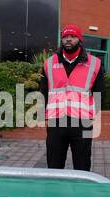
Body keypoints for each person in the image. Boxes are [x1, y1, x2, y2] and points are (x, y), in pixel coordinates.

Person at [40, 24, 105, 171]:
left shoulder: (94, 63)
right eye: (65, 37)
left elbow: (100, 93)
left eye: (73, 36)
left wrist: (92, 115)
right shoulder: (49, 63)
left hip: (83, 122)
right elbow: (43, 92)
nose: (68, 40)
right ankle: (54, 194)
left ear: (80, 40)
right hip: (56, 121)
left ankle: (81, 194)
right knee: (54, 166)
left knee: (82, 166)